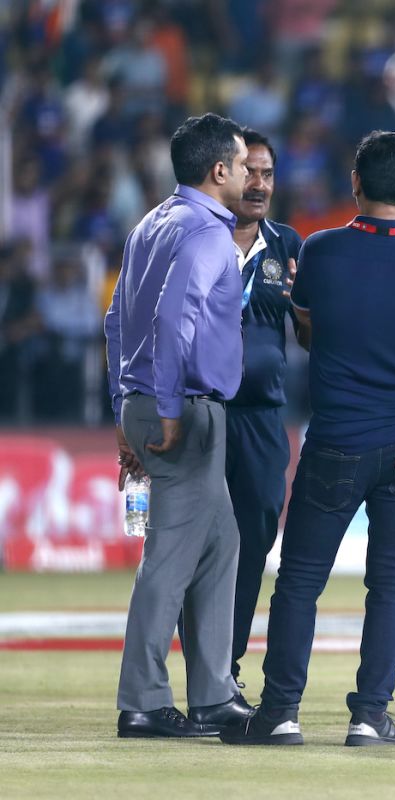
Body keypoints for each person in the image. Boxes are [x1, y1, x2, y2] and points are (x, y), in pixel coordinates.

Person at [220, 131, 395, 747]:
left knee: (300, 579)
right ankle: (370, 715)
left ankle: (279, 712)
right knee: (390, 582)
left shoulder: (323, 251)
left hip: (336, 439)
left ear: (354, 184)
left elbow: (306, 327)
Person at [103, 113, 253, 738]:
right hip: (185, 409)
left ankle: (214, 694)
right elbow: (173, 320)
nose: (248, 174)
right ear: (219, 171)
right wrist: (165, 410)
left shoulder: (150, 223)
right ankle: (142, 700)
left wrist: (125, 407)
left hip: (149, 400)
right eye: (243, 165)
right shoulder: (210, 233)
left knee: (221, 544)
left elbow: (116, 319)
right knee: (169, 557)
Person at [223, 128, 303, 690]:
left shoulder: (289, 246)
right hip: (202, 412)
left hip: (261, 417)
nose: (258, 183)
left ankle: (224, 668)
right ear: (222, 173)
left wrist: (309, 305)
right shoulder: (197, 238)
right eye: (248, 170)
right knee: (192, 540)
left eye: (267, 173)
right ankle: (201, 670)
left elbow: (309, 333)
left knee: (255, 536)